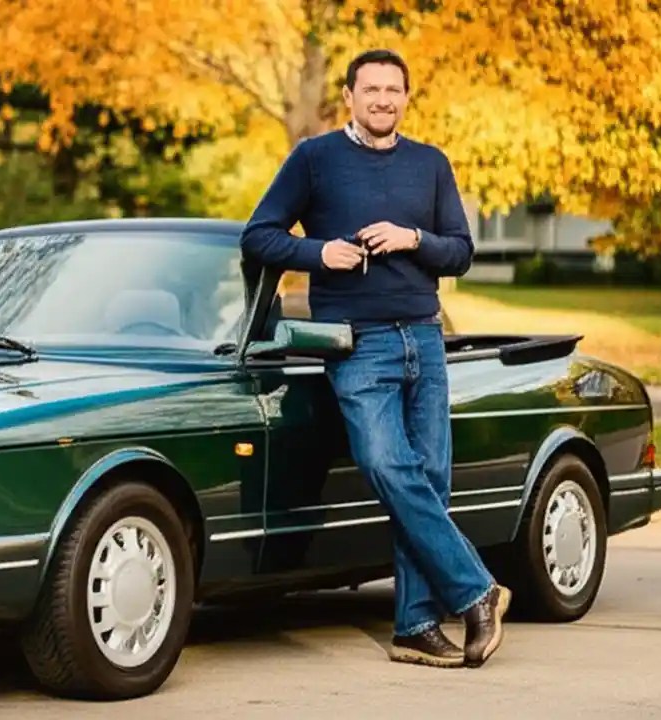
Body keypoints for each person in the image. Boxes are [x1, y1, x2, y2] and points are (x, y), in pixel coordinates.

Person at [239, 48, 510, 669]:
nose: (383, 99)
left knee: (430, 480)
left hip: (425, 335)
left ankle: (415, 625)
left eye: (394, 90)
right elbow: (259, 235)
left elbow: (461, 253)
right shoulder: (314, 159)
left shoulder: (430, 164)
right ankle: (476, 590)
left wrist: (413, 239)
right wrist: (318, 254)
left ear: (406, 98)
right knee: (387, 465)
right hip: (358, 344)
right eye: (372, 90)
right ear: (350, 96)